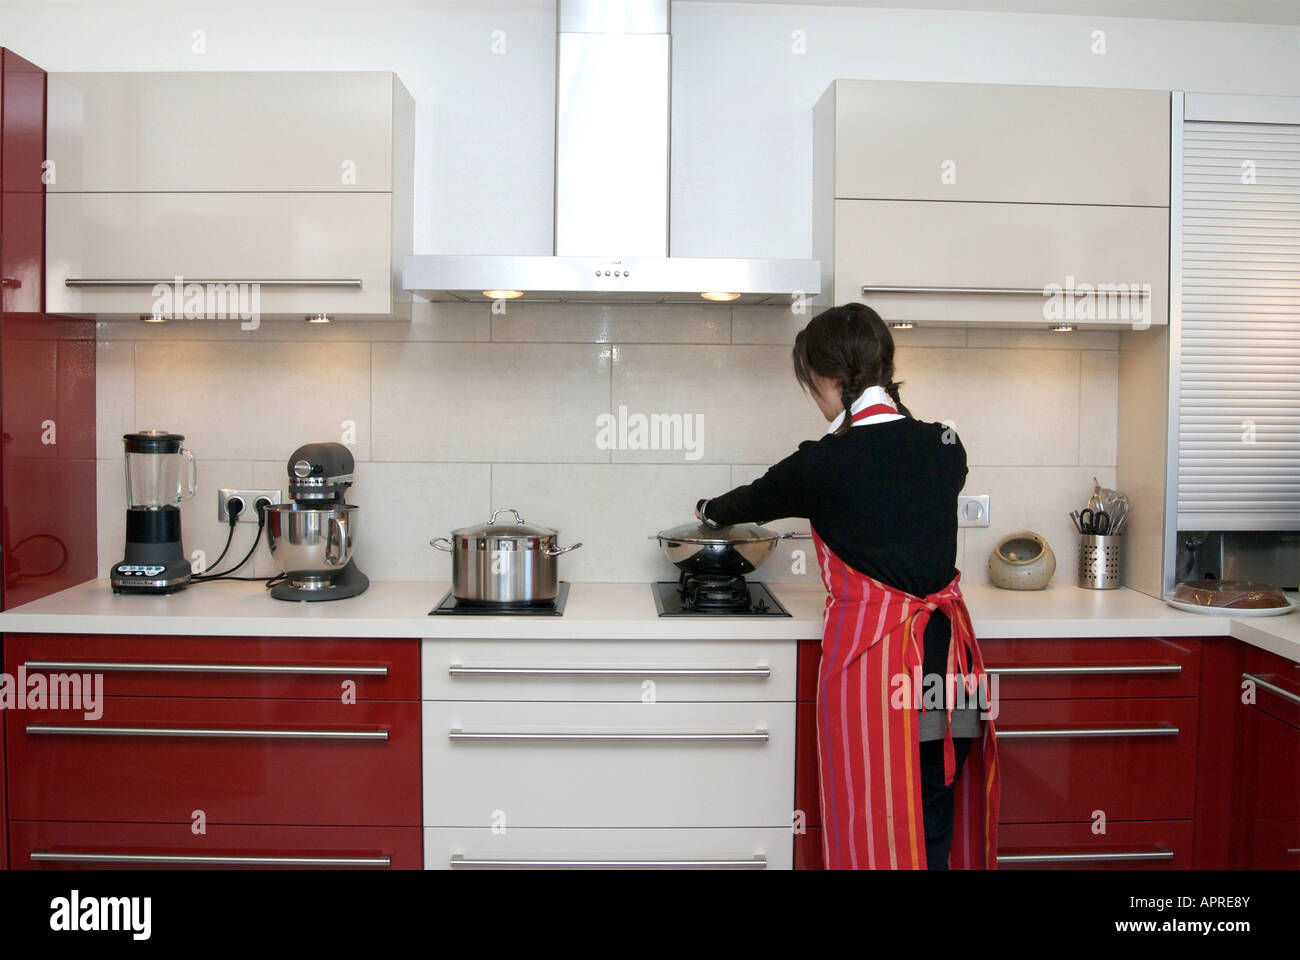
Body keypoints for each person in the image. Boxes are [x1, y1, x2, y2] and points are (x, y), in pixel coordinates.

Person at [695, 302, 1000, 869]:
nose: (814, 398)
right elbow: (899, 465)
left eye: (812, 385)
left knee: (870, 813)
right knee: (933, 806)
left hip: (875, 668)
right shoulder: (946, 446)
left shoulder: (821, 464)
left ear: (831, 379)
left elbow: (747, 502)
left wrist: (706, 508)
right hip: (945, 666)